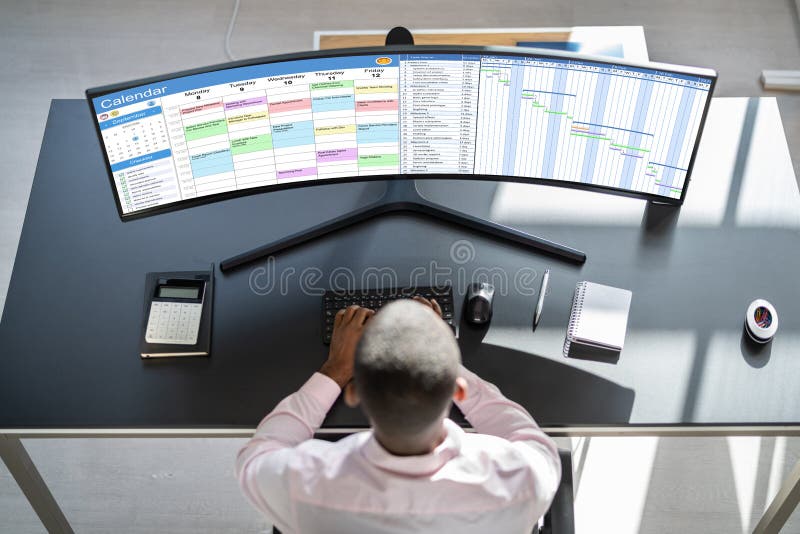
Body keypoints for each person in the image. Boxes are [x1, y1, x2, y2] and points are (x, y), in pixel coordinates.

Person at [236, 298, 561, 533]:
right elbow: (531, 439)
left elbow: (258, 455)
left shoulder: (302, 486)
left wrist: (335, 370)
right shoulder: (524, 481)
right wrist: (437, 354)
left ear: (354, 393)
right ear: (457, 392)